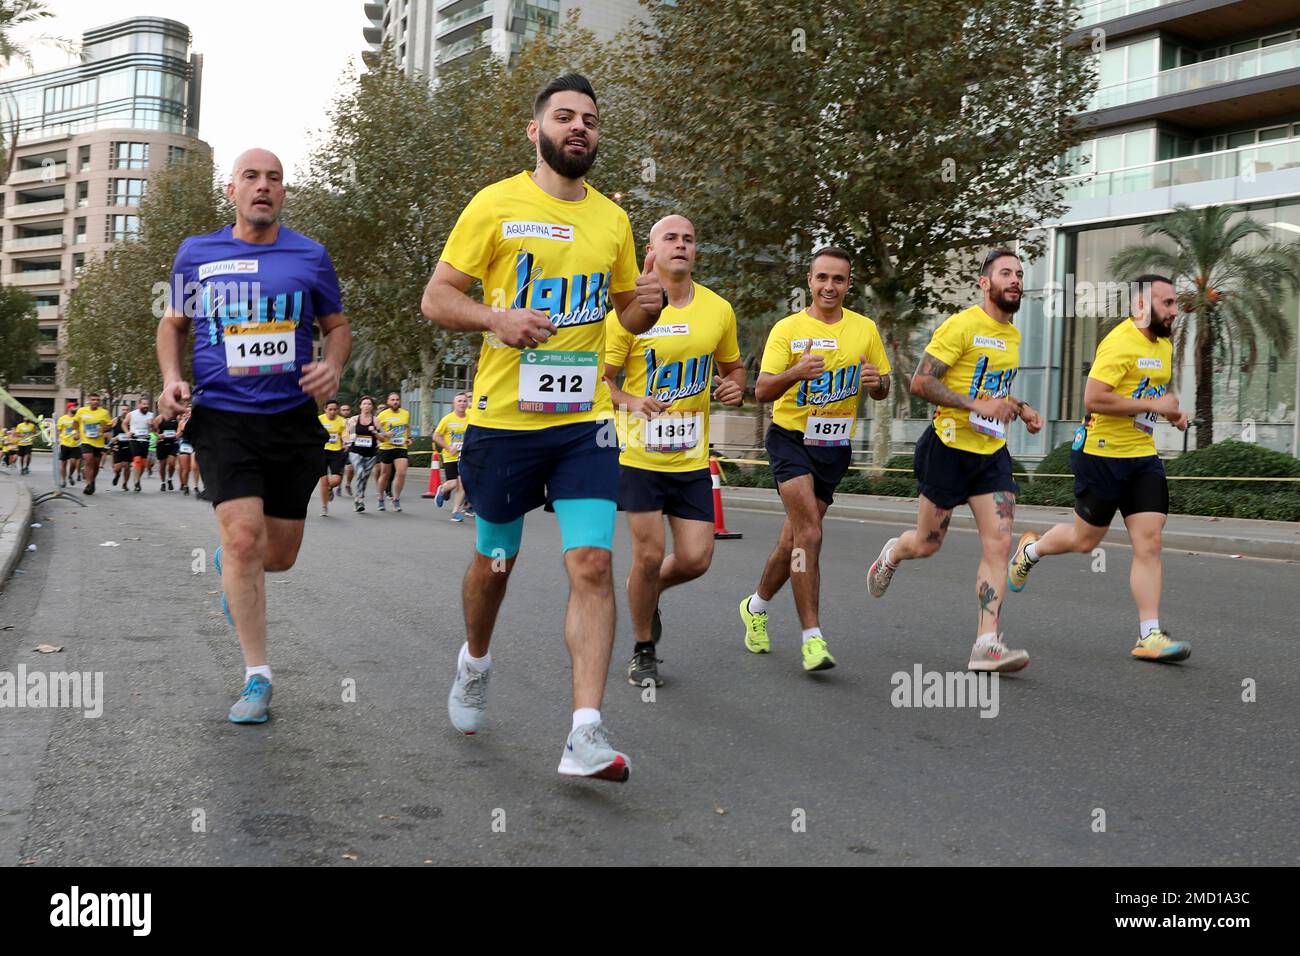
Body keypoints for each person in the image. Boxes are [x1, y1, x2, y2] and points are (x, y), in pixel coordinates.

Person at [420, 72, 666, 781]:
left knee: (592, 562)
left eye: (590, 119)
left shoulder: (613, 221)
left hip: (584, 422)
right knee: (496, 563)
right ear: (537, 131)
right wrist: (496, 317)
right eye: (565, 116)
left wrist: (645, 306)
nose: (579, 127)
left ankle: (584, 731)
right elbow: (437, 298)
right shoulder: (495, 204)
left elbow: (624, 314)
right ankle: (475, 661)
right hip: (504, 422)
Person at [156, 146, 350, 724]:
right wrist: (171, 379)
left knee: (279, 556)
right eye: (251, 177)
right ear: (232, 191)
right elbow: (174, 323)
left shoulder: (310, 257)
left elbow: (335, 327)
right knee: (245, 539)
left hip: (291, 419)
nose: (262, 186)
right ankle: (257, 677)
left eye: (273, 178)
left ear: (283, 193)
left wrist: (333, 367)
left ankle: (234, 569)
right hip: (223, 416)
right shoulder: (198, 255)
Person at [866, 248, 1043, 672]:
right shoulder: (961, 325)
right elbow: (921, 381)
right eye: (1006, 273)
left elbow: (993, 389)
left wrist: (1019, 407)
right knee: (926, 544)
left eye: (1019, 273)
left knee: (1000, 542)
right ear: (985, 283)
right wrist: (975, 406)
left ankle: (986, 642)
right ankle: (893, 553)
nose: (1015, 279)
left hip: (990, 455)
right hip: (947, 449)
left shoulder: (1013, 335)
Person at [1008, 275, 1191, 663]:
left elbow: (1147, 392)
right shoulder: (1119, 342)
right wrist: (1155, 407)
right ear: (1141, 305)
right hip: (1101, 455)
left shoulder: (1163, 345)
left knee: (1150, 541)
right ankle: (1031, 550)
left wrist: (1170, 413)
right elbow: (1094, 398)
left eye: (1176, 303)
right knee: (1084, 540)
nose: (1175, 311)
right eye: (1168, 303)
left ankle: (1149, 634)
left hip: (1142, 456)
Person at [604, 214, 746, 687]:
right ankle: (643, 649)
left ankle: (650, 590)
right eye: (671, 238)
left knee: (696, 559)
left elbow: (734, 371)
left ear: (695, 250)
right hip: (640, 457)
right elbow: (600, 385)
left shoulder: (718, 310)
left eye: (688, 238)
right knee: (647, 554)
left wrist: (732, 389)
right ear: (653, 249)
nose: (680, 245)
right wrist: (631, 400)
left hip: (690, 458)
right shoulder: (628, 312)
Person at [738, 246, 891, 672]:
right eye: (822, 278)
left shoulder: (865, 329)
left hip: (834, 447)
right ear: (809, 281)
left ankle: (755, 606)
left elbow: (883, 387)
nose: (829, 286)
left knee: (793, 542)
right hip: (790, 440)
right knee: (811, 534)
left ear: (848, 284)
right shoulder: (788, 330)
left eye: (838, 279)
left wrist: (877, 384)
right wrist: (795, 373)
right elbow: (763, 390)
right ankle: (813, 639)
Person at [432, 392, 471, 521]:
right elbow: (436, 436)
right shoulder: (447, 419)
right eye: (459, 401)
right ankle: (442, 489)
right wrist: (449, 447)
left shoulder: (471, 418)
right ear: (454, 404)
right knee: (455, 482)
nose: (462, 403)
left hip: (465, 457)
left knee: (462, 483)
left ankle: (455, 512)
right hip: (450, 456)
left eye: (464, 401)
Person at [374, 392, 410, 512]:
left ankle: (396, 499)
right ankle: (380, 497)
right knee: (385, 474)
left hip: (401, 446)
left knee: (402, 472)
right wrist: (385, 434)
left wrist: (409, 438)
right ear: (388, 402)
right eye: (392, 400)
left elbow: (407, 427)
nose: (395, 402)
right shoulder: (382, 415)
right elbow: (376, 432)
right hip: (386, 447)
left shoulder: (405, 414)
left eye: (397, 399)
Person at [75, 394, 113, 495]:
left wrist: (104, 429)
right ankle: (88, 484)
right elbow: (75, 422)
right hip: (86, 441)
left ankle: (92, 481)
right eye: (93, 400)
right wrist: (77, 432)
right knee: (88, 460)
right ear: (89, 400)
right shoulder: (81, 411)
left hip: (98, 442)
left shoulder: (104, 412)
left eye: (97, 400)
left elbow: (109, 425)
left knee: (96, 465)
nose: (95, 401)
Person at [347, 396, 379, 512]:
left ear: (372, 407)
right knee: (360, 472)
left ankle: (359, 497)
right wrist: (352, 435)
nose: (367, 406)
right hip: (356, 451)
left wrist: (376, 433)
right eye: (364, 403)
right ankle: (359, 499)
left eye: (369, 404)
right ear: (360, 406)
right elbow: (350, 432)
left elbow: (381, 436)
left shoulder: (376, 420)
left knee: (364, 476)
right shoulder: (354, 419)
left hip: (371, 453)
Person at [318, 400, 348, 517]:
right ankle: (324, 507)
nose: (333, 411)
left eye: (335, 409)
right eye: (330, 409)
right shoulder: (319, 419)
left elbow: (345, 434)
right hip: (321, 452)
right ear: (325, 409)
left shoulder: (342, 421)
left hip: (336, 453)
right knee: (323, 481)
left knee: (336, 480)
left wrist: (345, 442)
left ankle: (330, 488)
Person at [124, 397, 156, 493]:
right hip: (134, 439)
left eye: (147, 404)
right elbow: (124, 424)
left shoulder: (151, 415)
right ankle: (137, 481)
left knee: (143, 465)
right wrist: (127, 432)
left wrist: (152, 425)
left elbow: (154, 430)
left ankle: (137, 479)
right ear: (139, 405)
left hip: (145, 440)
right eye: (143, 404)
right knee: (137, 460)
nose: (146, 406)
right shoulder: (132, 414)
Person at [56, 401, 81, 488]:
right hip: (64, 443)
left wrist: (78, 436)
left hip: (75, 444)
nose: (76, 409)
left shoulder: (78, 419)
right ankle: (63, 481)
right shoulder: (62, 419)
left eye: (76, 407)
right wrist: (58, 439)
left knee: (73, 462)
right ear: (69, 408)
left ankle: (70, 475)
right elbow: (58, 431)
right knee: (63, 463)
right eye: (74, 407)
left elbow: (81, 430)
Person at [177, 402, 199, 496]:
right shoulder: (182, 422)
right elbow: (177, 436)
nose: (190, 413)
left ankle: (196, 486)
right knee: (185, 469)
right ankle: (186, 486)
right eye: (188, 411)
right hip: (185, 444)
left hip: (195, 445)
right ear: (185, 413)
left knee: (195, 467)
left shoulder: (198, 422)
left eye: (191, 411)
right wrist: (182, 429)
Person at [110, 402, 133, 488]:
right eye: (123, 410)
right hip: (117, 446)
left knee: (127, 466)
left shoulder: (132, 421)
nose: (125, 411)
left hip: (128, 446)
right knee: (117, 468)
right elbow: (108, 430)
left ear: (129, 411)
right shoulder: (116, 420)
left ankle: (125, 484)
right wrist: (112, 439)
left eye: (127, 410)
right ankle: (117, 475)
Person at [156, 411, 180, 490]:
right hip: (162, 444)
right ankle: (163, 483)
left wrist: (178, 434)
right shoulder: (159, 418)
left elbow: (180, 428)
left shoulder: (176, 417)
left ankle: (169, 479)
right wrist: (158, 435)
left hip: (173, 443)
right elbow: (153, 429)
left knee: (172, 463)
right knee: (162, 465)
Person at [338, 402, 354, 496]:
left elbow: (353, 434)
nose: (346, 411)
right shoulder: (337, 420)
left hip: (350, 448)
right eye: (343, 410)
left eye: (347, 410)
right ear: (340, 411)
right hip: (338, 448)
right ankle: (339, 486)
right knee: (340, 470)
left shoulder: (352, 421)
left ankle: (348, 484)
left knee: (351, 468)